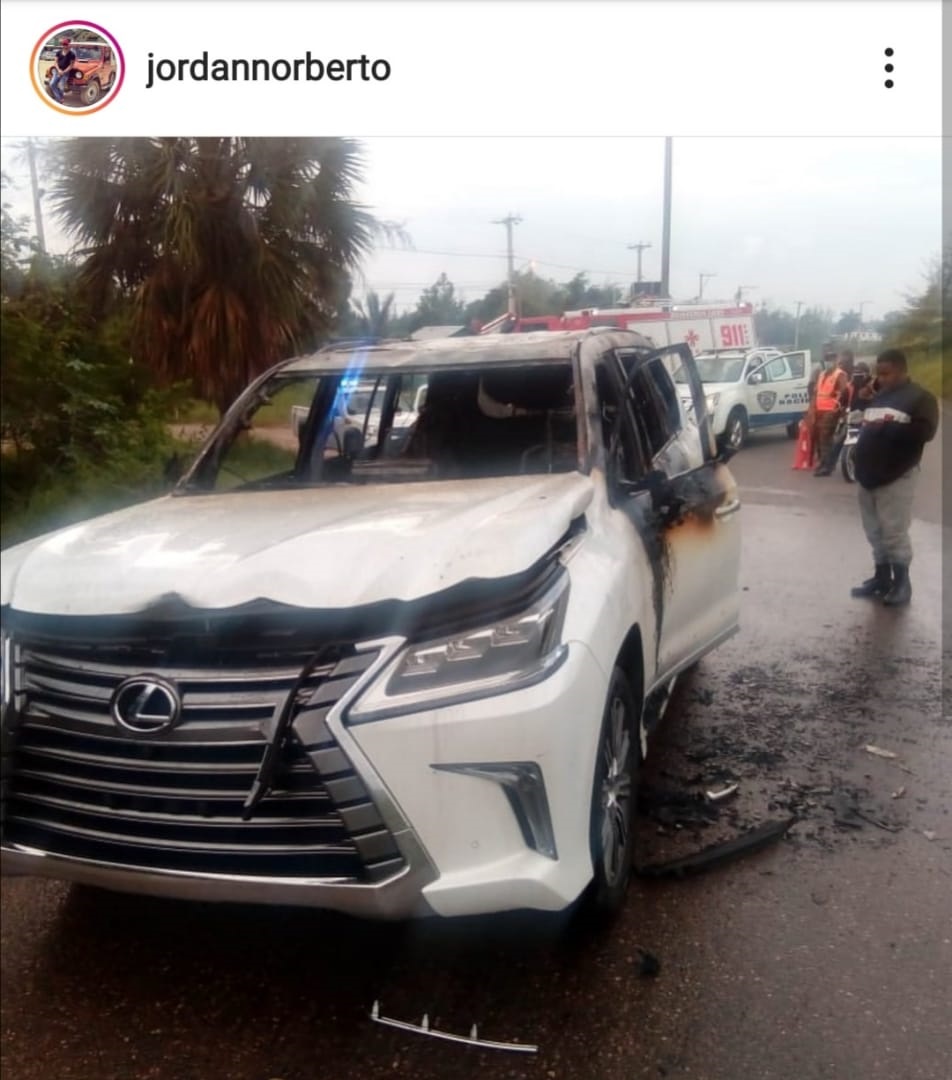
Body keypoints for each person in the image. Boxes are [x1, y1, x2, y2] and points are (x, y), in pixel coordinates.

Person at [850, 348, 938, 606]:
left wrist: (887, 426)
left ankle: (902, 584)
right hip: (867, 476)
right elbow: (859, 419)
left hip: (896, 476)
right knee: (874, 531)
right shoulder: (878, 396)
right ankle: (882, 578)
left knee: (894, 532)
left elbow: (925, 432)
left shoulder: (921, 398)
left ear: (901, 370)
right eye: (879, 373)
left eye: (886, 373)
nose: (881, 378)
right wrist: (861, 399)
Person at [814, 349, 858, 475]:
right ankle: (826, 462)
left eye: (831, 359)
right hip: (820, 410)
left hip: (832, 410)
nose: (828, 362)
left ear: (835, 360)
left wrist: (840, 408)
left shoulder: (839, 374)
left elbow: (845, 392)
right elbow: (817, 392)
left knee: (825, 436)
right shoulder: (822, 374)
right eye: (826, 359)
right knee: (821, 438)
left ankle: (826, 465)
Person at [49, 37, 75, 103]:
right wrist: (59, 70)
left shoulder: (72, 54)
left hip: (65, 72)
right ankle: (60, 98)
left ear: (69, 45)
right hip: (57, 71)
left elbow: (71, 65)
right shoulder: (58, 52)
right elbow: (55, 62)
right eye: (63, 44)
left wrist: (63, 72)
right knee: (52, 84)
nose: (64, 46)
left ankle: (59, 100)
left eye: (66, 44)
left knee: (61, 86)